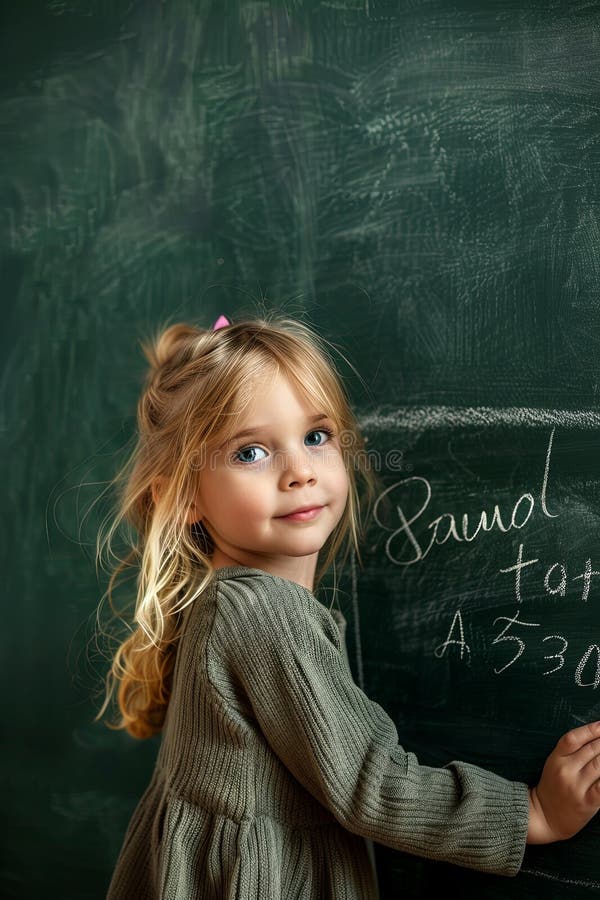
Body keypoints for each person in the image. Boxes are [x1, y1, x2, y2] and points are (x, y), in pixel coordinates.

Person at [97, 313, 600, 900]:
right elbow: (370, 783)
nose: (300, 472)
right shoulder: (264, 615)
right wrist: (531, 813)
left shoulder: (227, 602)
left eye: (316, 436)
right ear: (183, 494)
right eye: (251, 452)